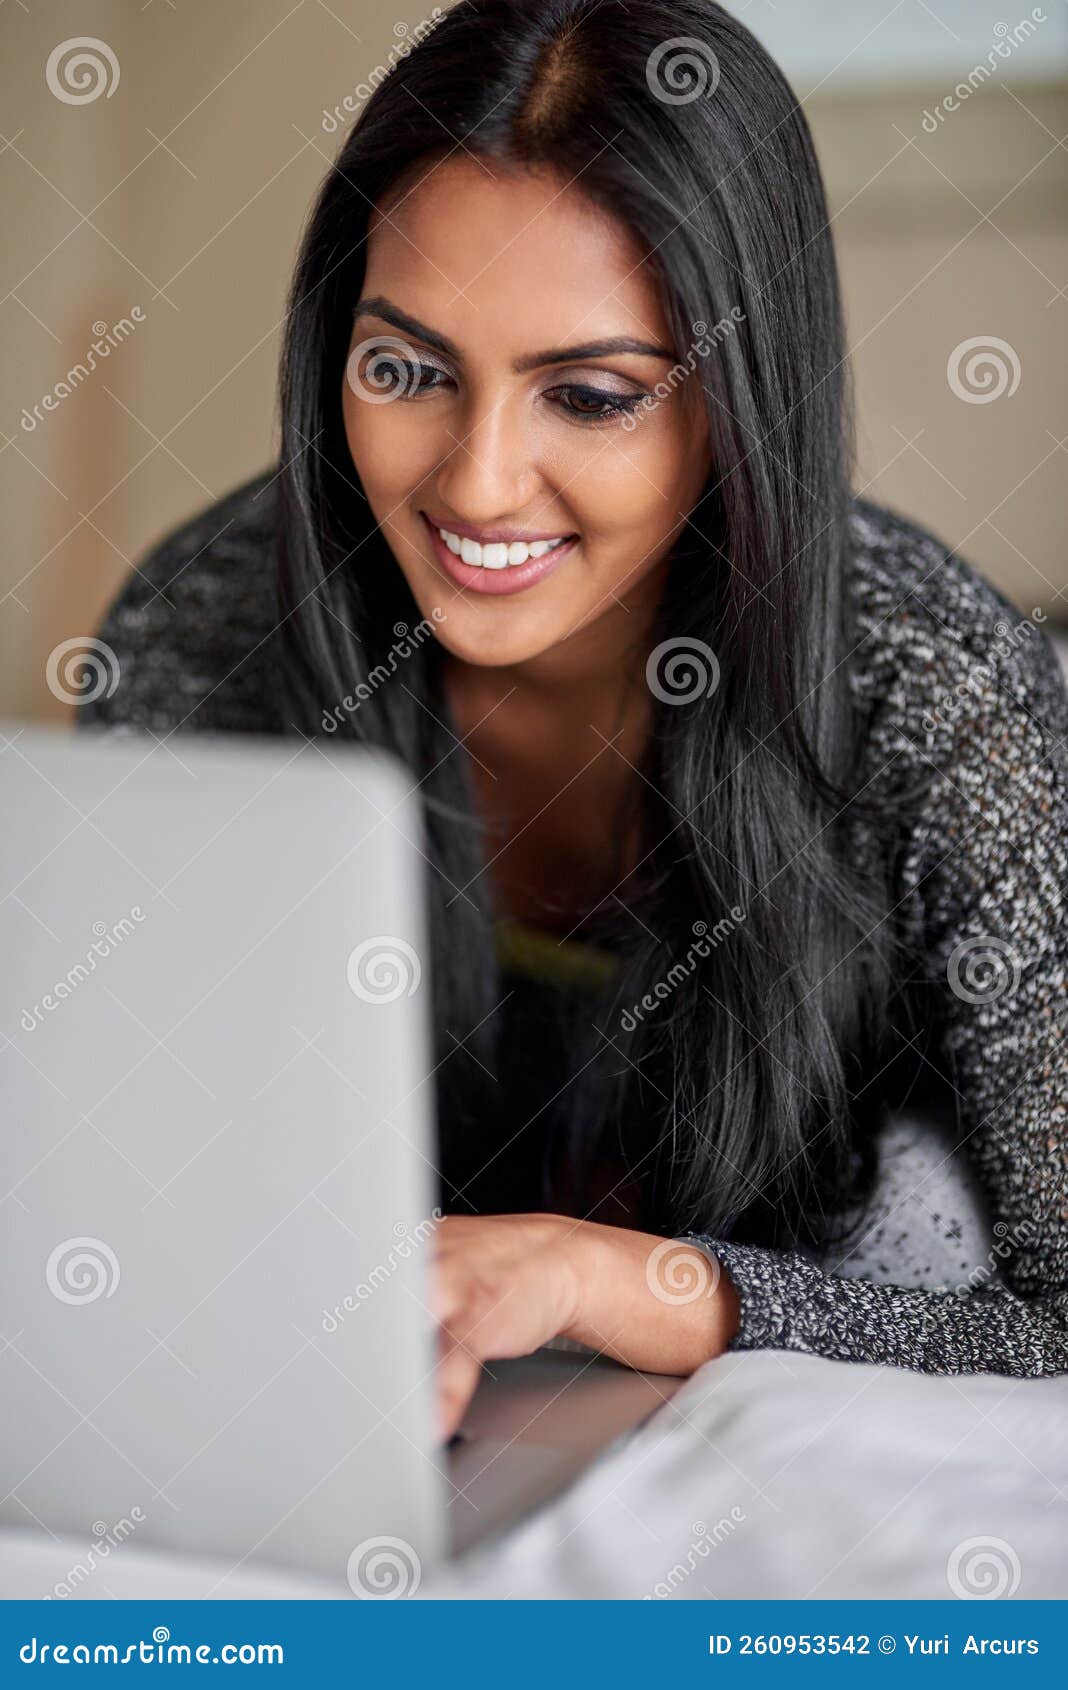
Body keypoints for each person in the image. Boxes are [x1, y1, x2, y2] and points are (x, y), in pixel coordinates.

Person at [79, 0, 1068, 1437]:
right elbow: (121, 1211)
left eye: (591, 395)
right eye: (407, 370)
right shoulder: (204, 628)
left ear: (741, 405)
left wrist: (615, 1282)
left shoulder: (937, 693)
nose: (477, 484)